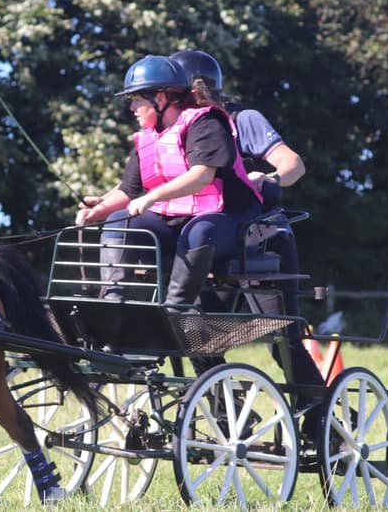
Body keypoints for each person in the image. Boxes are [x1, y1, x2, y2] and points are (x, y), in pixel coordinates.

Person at [169, 49, 326, 431]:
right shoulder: (182, 128)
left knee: (280, 335)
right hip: (217, 242)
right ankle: (229, 409)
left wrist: (268, 178)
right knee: (197, 330)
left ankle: (320, 418)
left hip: (263, 241)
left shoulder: (243, 119)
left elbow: (293, 165)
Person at [74, 54, 263, 310]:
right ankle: (113, 308)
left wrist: (151, 197)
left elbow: (202, 176)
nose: (131, 109)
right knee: (118, 220)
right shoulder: (147, 139)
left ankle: (174, 313)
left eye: (137, 101)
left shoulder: (206, 123)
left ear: (160, 98)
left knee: (199, 231)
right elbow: (129, 192)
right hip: (176, 221)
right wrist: (97, 211)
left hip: (229, 220)